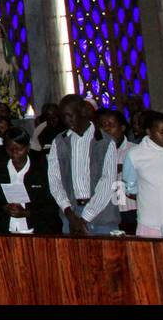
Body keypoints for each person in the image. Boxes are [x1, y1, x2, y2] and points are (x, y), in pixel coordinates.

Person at [47, 94, 118, 236]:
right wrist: (69, 213)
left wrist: (85, 218)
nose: (67, 121)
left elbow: (107, 183)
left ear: (83, 112)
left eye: (70, 115)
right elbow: (54, 180)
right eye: (63, 117)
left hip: (101, 215)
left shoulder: (105, 142)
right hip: (70, 214)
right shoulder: (59, 142)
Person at [0, 127, 61, 234]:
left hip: (36, 229)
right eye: (10, 149)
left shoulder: (40, 171)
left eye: (19, 149)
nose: (14, 153)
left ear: (28, 148)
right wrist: (4, 208)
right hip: (6, 228)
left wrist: (27, 213)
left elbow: (51, 204)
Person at [122, 111, 163, 238]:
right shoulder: (135, 155)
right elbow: (130, 187)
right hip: (150, 223)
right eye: (162, 131)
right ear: (149, 132)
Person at [98, 108, 137, 232]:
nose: (107, 129)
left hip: (132, 209)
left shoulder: (135, 150)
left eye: (112, 125)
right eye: (103, 126)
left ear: (122, 127)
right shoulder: (96, 152)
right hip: (108, 211)